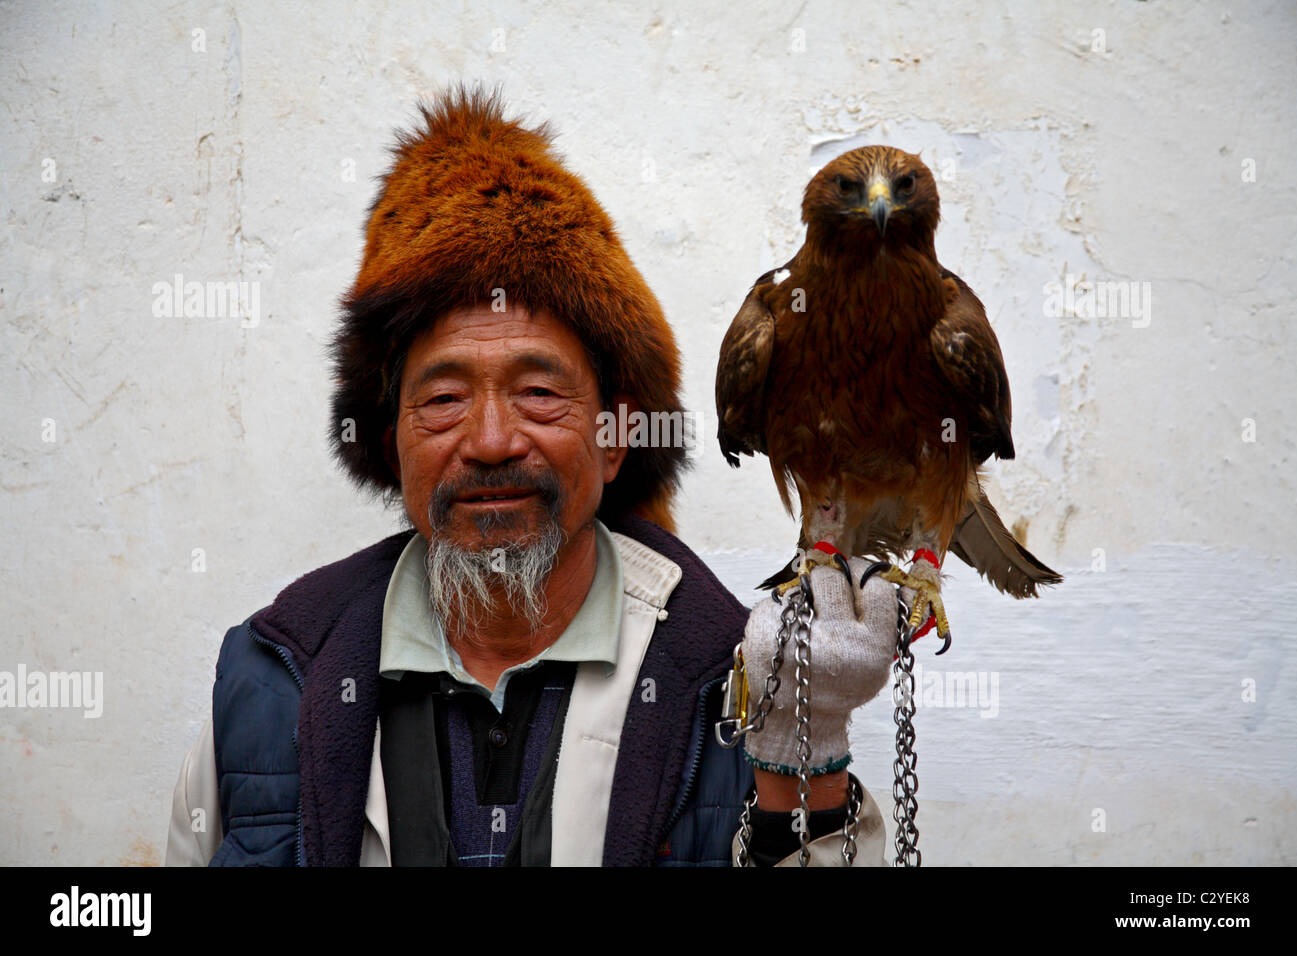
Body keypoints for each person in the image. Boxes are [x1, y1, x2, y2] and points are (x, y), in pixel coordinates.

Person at [164, 86, 898, 867]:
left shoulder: (738, 685)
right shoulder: (274, 676)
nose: (489, 441)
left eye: (539, 393)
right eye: (443, 398)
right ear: (390, 445)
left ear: (615, 438)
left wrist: (802, 751)